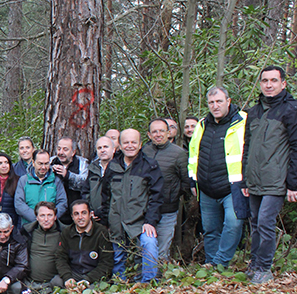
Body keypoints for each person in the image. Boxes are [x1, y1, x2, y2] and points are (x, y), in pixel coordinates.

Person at [241, 65, 297, 283]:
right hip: (255, 179)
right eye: (265, 81)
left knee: (265, 221)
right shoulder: (253, 112)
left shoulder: (290, 110)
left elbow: (295, 147)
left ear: (283, 83)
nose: (269, 85)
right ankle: (255, 264)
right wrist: (245, 179)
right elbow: (247, 147)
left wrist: (293, 184)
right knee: (255, 222)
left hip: (277, 179)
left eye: (274, 80)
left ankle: (264, 268)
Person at [188, 86, 247, 269]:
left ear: (228, 101)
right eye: (211, 102)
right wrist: (193, 180)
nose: (215, 106)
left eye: (219, 101)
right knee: (210, 230)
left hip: (234, 186)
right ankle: (211, 266)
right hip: (206, 187)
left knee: (233, 224)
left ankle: (220, 262)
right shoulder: (202, 124)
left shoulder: (243, 121)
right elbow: (193, 154)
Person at [100, 128, 163, 282]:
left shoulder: (150, 166)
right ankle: (119, 282)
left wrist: (150, 221)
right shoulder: (113, 166)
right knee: (117, 255)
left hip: (140, 221)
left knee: (149, 244)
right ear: (119, 146)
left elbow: (157, 197)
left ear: (140, 144)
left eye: (133, 142)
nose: (130, 146)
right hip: (116, 222)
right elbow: (106, 195)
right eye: (126, 142)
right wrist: (106, 220)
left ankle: (148, 282)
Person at [142, 118, 189, 261]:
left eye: (162, 131)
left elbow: (185, 181)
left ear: (168, 133)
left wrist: (173, 195)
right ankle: (146, 277)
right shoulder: (144, 151)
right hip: (145, 208)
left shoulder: (179, 153)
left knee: (163, 248)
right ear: (149, 135)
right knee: (146, 246)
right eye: (154, 131)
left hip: (167, 208)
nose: (158, 134)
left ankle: (161, 278)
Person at [57, 200, 113, 286]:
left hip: (94, 277)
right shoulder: (66, 232)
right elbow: (61, 258)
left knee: (97, 289)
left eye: (84, 213)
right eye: (76, 214)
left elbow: (106, 263)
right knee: (55, 282)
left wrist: (88, 280)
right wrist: (67, 277)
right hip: (74, 275)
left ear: (90, 214)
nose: (80, 217)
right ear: (72, 216)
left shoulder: (101, 232)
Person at [17, 202, 63, 294]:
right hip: (30, 283)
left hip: (52, 284)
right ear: (37, 217)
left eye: (50, 215)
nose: (46, 219)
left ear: (55, 217)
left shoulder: (64, 233)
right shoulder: (27, 232)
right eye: (42, 216)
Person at [15, 149, 67, 225]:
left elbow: (63, 203)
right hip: (28, 227)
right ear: (33, 163)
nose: (43, 167)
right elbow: (19, 204)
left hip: (51, 227)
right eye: (40, 163)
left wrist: (50, 218)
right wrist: (37, 218)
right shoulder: (23, 180)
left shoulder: (56, 181)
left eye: (46, 164)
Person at [50, 137, 89, 224]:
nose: (61, 152)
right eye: (59, 149)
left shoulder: (82, 163)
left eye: (65, 149)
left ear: (73, 152)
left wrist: (67, 175)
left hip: (76, 212)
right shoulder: (51, 162)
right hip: (54, 212)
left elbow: (85, 183)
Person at [87, 136, 116, 221]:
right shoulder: (92, 169)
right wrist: (89, 211)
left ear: (113, 149)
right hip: (94, 217)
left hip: (114, 217)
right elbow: (86, 191)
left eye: (106, 147)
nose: (102, 150)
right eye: (99, 148)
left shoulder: (119, 168)